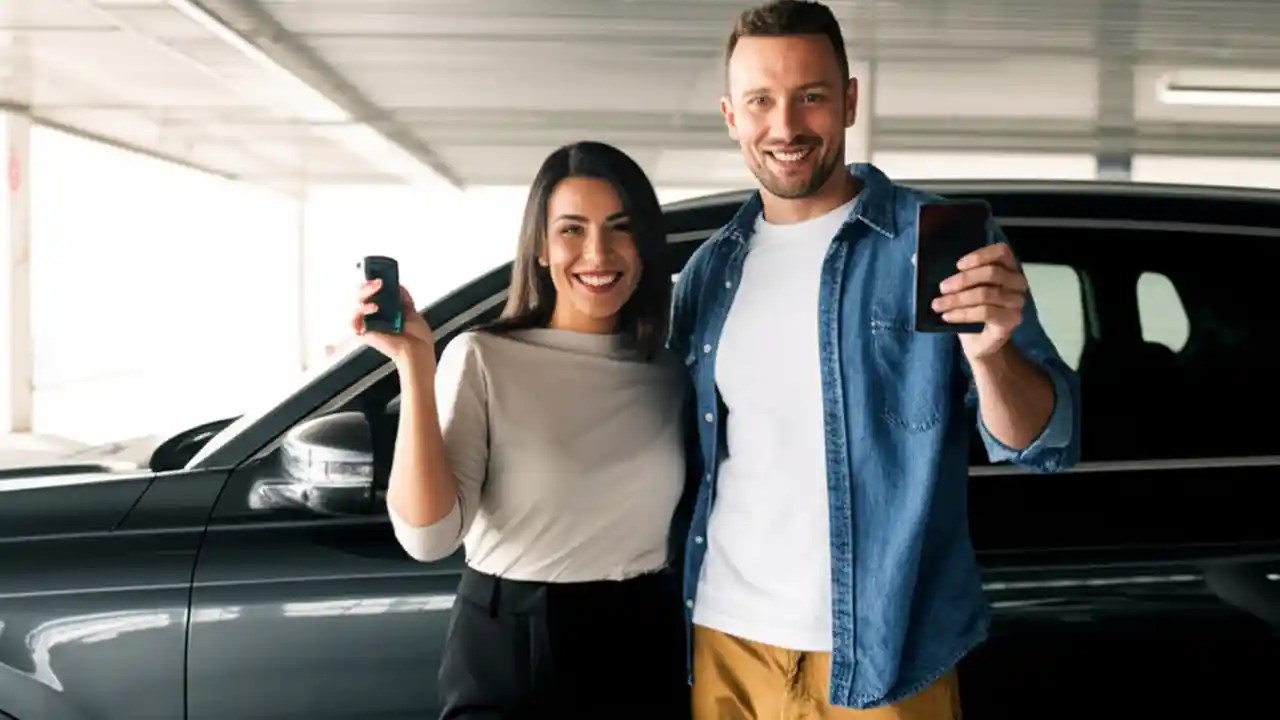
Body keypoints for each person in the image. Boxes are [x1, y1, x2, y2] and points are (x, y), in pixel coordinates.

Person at [668, 1, 1083, 717]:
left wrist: (990, 356)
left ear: (850, 100)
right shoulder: (711, 269)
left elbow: (1043, 443)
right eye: (761, 101)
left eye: (812, 97)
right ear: (731, 115)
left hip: (885, 653)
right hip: (725, 638)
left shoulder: (936, 239)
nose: (787, 126)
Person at [353, 140, 693, 719]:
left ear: (645, 246)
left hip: (644, 639)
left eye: (620, 228)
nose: (598, 253)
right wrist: (415, 367)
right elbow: (429, 538)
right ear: (539, 246)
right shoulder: (484, 358)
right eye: (571, 230)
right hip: (517, 646)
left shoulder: (669, 371)